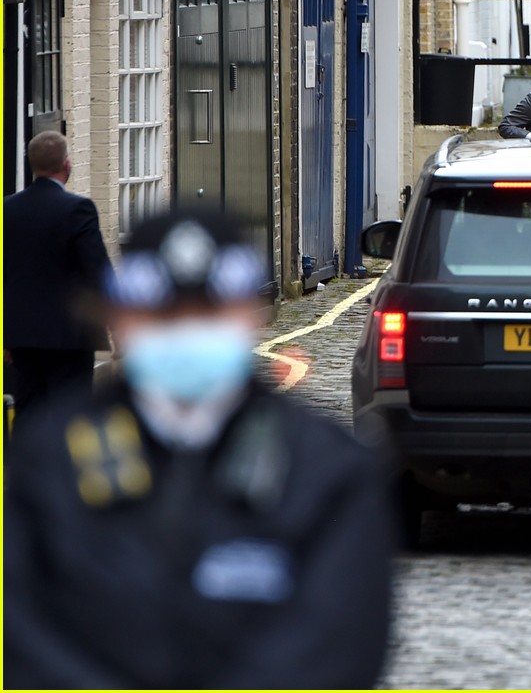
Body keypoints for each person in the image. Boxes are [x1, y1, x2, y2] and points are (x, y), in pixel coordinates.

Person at [3, 210, 394, 688]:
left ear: (250, 318)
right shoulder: (47, 461)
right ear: (123, 320)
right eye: (165, 315)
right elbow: (21, 630)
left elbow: (337, 639)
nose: (186, 332)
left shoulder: (326, 470)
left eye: (208, 313)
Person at [4, 131, 113, 415]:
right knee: (70, 413)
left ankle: (27, 459)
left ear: (32, 164)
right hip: (70, 335)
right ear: (67, 164)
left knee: (30, 406)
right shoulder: (78, 209)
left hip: (22, 335)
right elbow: (97, 271)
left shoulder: (7, 209)